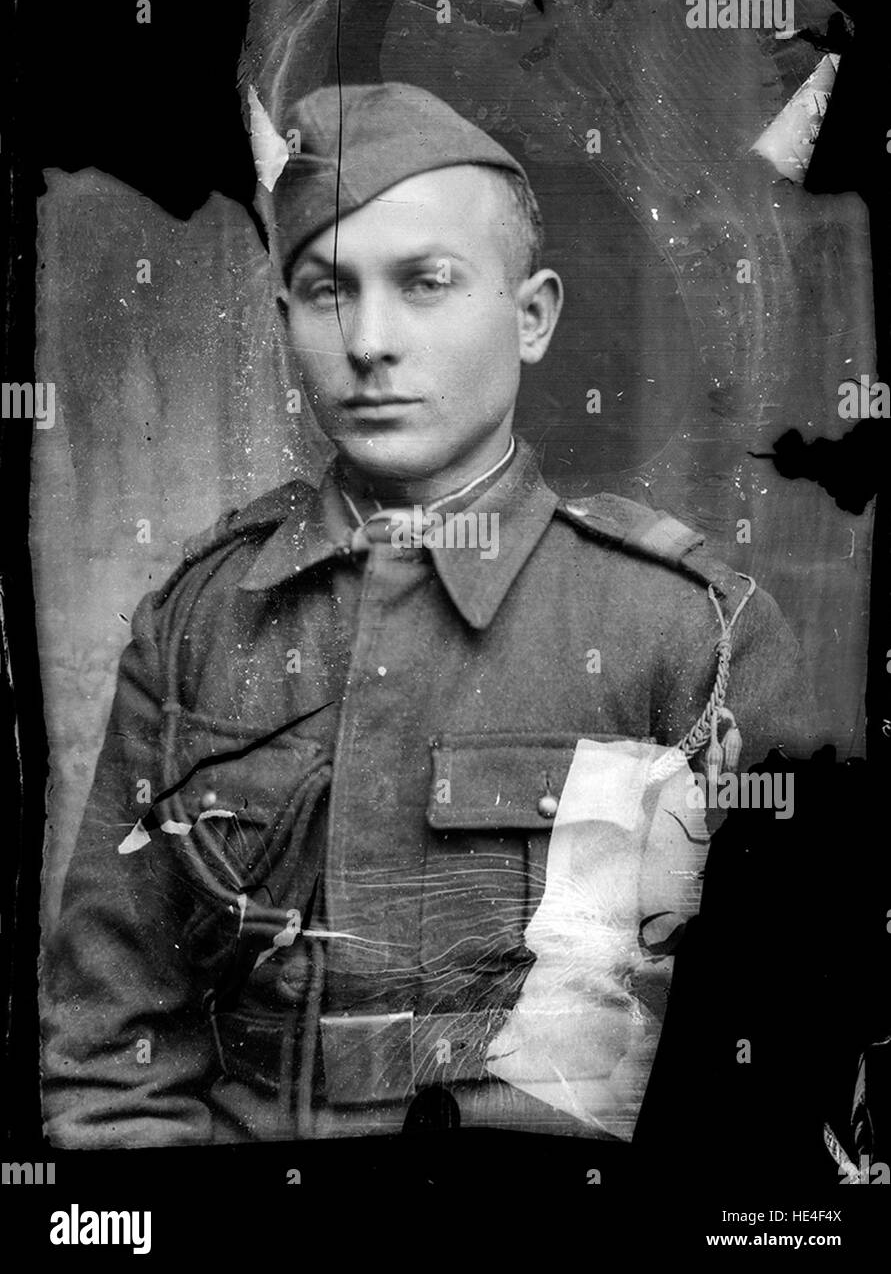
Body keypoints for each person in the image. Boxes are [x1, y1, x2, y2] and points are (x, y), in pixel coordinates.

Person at [41, 82, 813, 1149]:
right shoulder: (199, 621)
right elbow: (109, 1057)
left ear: (532, 314)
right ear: (283, 322)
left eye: (426, 282)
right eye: (326, 290)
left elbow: (769, 1077)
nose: (369, 339)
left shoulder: (687, 630)